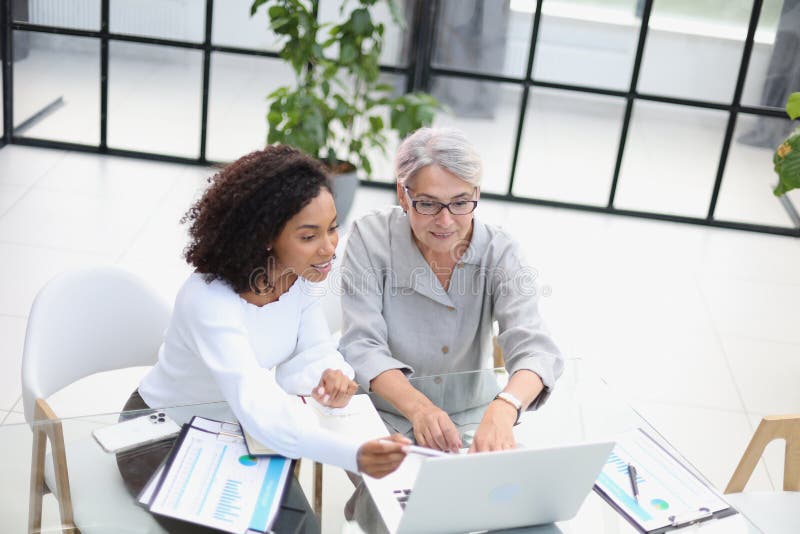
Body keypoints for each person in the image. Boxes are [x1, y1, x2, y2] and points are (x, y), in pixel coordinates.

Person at [118, 145, 409, 533]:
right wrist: (352, 454)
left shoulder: (300, 279)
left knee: (301, 528)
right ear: (267, 236)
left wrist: (329, 374)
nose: (329, 248)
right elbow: (256, 401)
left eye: (332, 228)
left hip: (233, 429)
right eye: (309, 236)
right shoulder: (209, 299)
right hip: (163, 433)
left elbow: (309, 352)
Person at [339, 127, 564, 454]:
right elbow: (361, 344)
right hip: (384, 412)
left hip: (472, 414)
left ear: (476, 194)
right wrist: (419, 408)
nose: (445, 221)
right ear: (403, 194)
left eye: (460, 203)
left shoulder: (500, 251)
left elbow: (537, 350)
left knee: (498, 483)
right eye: (428, 204)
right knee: (399, 485)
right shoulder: (371, 237)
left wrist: (505, 407)